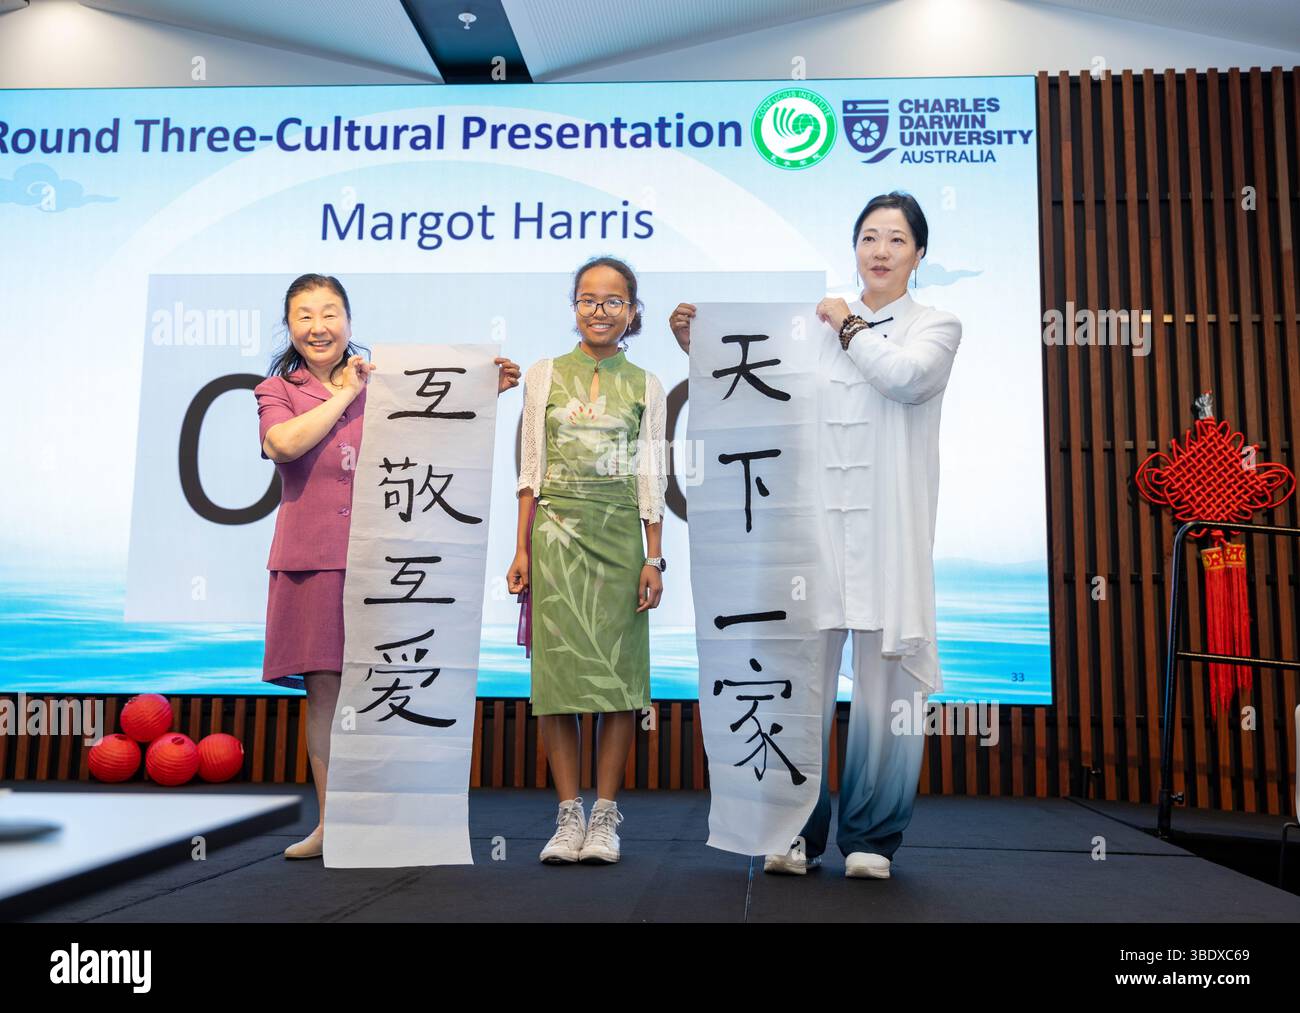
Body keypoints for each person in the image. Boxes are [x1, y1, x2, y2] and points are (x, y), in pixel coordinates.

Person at [669, 191, 961, 879]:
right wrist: (701, 347)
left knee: (887, 689)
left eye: (895, 238)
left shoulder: (935, 325)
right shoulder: (813, 326)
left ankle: (872, 836)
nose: (880, 250)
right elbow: (758, 393)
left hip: (889, 534)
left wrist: (852, 326)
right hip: (812, 534)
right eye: (868, 237)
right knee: (797, 681)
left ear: (919, 253)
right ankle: (794, 827)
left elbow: (909, 380)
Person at [255, 273, 520, 859]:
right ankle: (332, 825)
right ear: (290, 326)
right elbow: (283, 445)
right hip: (313, 560)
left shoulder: (387, 384)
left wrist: (482, 393)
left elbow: (431, 438)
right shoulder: (277, 389)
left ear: (349, 320)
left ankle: (396, 822)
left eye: (330, 313)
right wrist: (345, 395)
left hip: (389, 559)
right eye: (304, 315)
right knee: (326, 691)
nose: (318, 327)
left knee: (391, 682)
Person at [508, 256, 668, 865]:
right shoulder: (543, 375)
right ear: (574, 306)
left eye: (613, 301)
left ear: (632, 311)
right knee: (559, 685)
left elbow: (651, 473)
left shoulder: (647, 384)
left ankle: (605, 819)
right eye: (587, 299)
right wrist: (522, 547)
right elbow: (530, 469)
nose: (599, 311)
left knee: (619, 684)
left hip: (621, 541)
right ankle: (567, 817)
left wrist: (655, 558)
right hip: (555, 539)